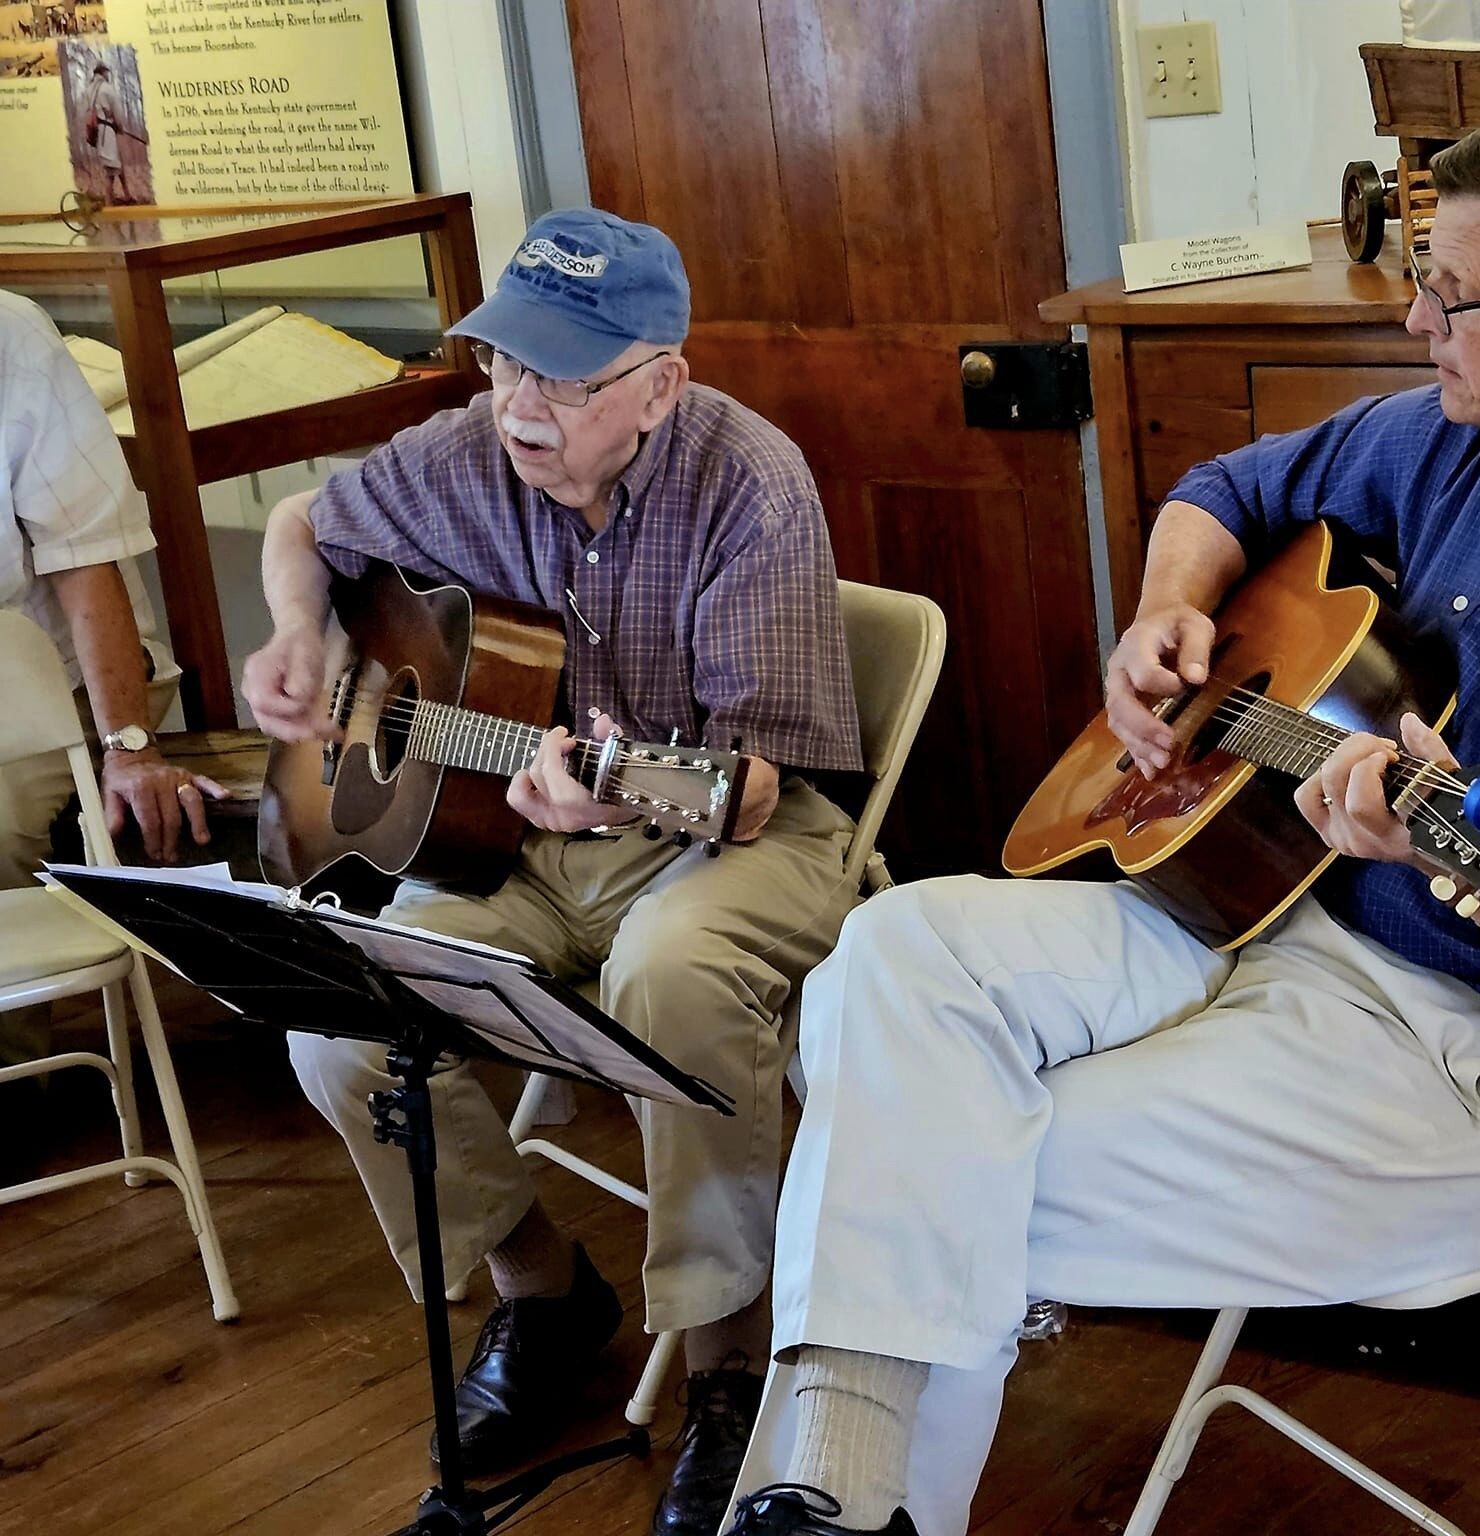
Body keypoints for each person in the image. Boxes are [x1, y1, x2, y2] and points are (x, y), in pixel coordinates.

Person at [723, 97, 1480, 1536]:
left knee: (924, 1146)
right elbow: (1227, 487)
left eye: (1453, 294)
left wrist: (1471, 856)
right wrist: (1166, 614)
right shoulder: (1449, 440)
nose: (1415, 321)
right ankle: (843, 1506)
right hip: (1252, 907)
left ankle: (826, 1499)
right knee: (894, 956)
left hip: (1470, 1038)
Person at [243, 210, 864, 1536]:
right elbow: (302, 521)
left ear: (660, 384)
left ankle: (727, 1366)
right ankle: (542, 1293)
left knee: (671, 977)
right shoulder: (466, 448)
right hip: (513, 847)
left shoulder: (750, 482)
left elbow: (749, 788)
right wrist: (298, 632)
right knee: (338, 1014)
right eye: (504, 361)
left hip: (726, 836)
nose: (520, 403)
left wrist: (614, 785)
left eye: (563, 377)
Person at [1, 287, 208, 1092]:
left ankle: (16, 1077)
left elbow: (86, 561)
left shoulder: (12, 335)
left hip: (64, 686)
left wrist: (129, 745)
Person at [83, 62, 131, 205]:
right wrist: (120, 126)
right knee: (111, 168)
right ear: (103, 72)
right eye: (106, 72)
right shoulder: (106, 88)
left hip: (99, 132)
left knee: (116, 162)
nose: (107, 75)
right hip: (106, 131)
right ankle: (110, 202)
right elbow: (117, 110)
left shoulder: (88, 90)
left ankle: (127, 194)